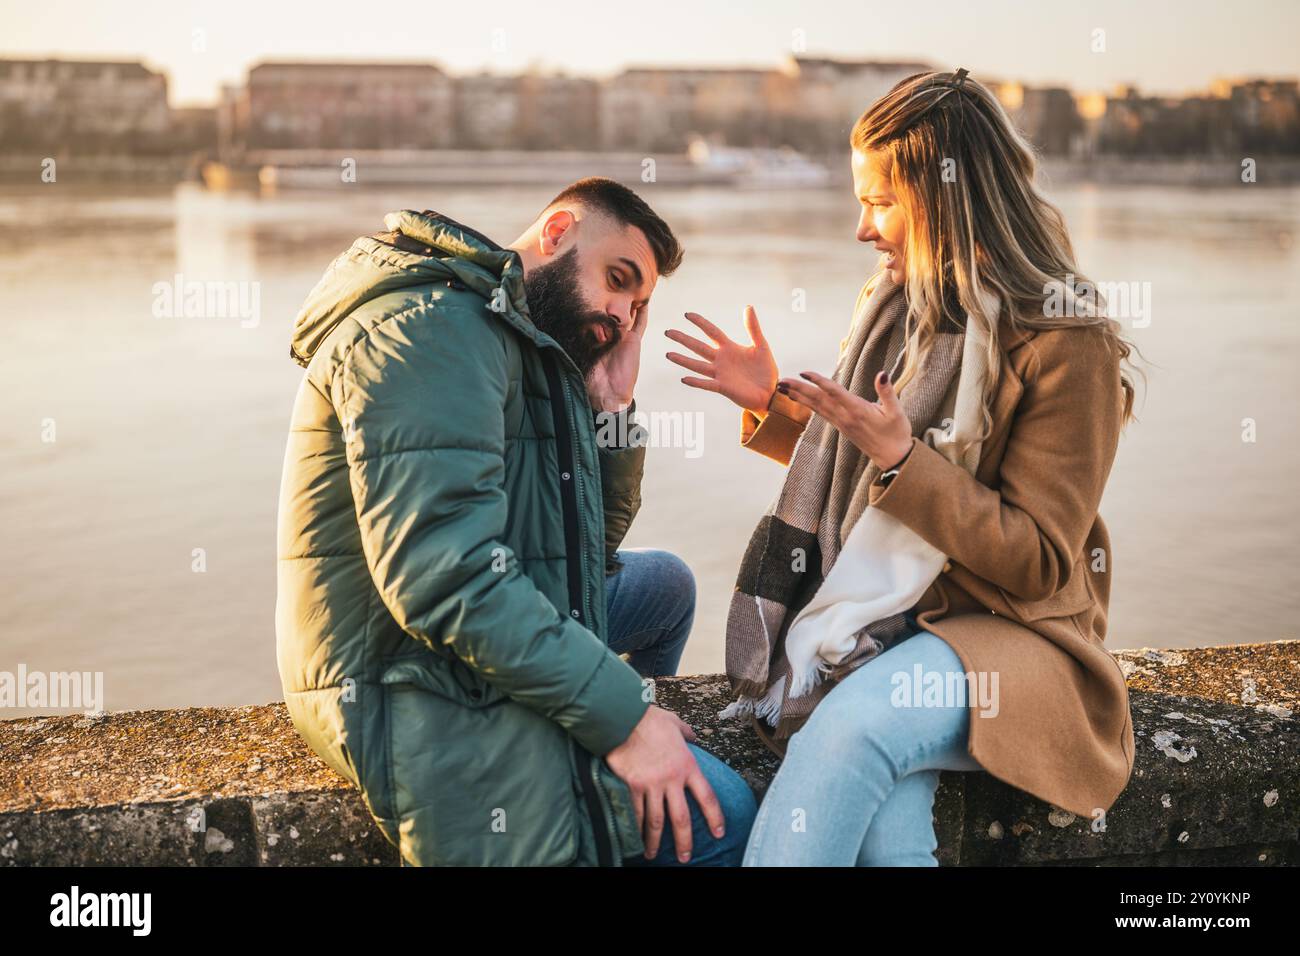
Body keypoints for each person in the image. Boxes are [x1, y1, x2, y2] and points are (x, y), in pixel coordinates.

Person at [665, 70, 1141, 866]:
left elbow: (1039, 561)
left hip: (1008, 634)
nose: (862, 228)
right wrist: (776, 407)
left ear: (948, 196)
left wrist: (901, 457)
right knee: (889, 835)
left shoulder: (1067, 341)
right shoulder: (899, 304)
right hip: (895, 624)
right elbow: (866, 482)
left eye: (880, 202)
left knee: (849, 729)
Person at [276, 177, 756, 866]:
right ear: (557, 232)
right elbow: (446, 581)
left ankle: (633, 737)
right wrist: (623, 721)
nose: (621, 316)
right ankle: (629, 766)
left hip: (473, 623)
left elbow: (583, 555)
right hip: (411, 665)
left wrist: (612, 407)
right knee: (728, 816)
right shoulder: (433, 330)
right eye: (617, 280)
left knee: (667, 588)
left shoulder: (522, 343)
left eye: (639, 306)